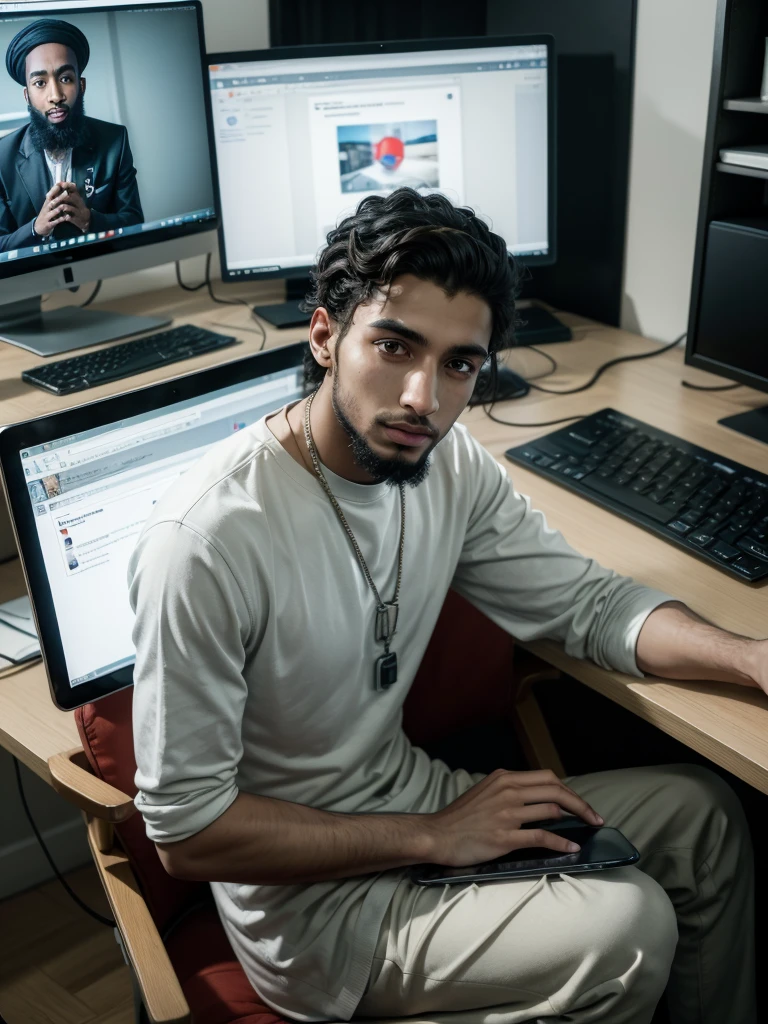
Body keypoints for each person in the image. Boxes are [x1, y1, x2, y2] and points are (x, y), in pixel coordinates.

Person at [129, 187, 763, 1024]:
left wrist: (747, 656)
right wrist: (431, 836)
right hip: (311, 905)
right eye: (395, 346)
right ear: (325, 336)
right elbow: (188, 836)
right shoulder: (206, 540)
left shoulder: (448, 462)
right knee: (628, 924)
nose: (424, 397)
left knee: (704, 816)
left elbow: (589, 605)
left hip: (415, 797)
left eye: (460, 364)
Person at [0, 18, 143, 253]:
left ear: (81, 85)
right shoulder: (2, 157)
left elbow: (135, 222)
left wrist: (89, 220)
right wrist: (36, 228)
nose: (55, 95)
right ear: (27, 95)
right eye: (40, 83)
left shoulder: (115, 140)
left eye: (65, 78)